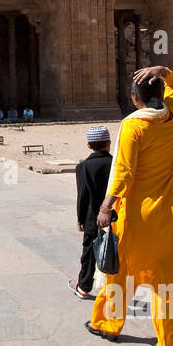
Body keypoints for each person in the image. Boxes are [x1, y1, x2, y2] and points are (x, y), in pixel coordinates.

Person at [89, 65, 173, 346]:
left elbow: (123, 172)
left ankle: (108, 325)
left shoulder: (133, 126)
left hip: (138, 213)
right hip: (172, 212)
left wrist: (106, 207)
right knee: (171, 283)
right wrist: (164, 71)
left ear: (135, 97)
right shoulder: (171, 115)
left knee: (121, 275)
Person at [69, 126, 113, 300]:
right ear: (108, 144)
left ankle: (84, 286)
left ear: (88, 145)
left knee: (89, 252)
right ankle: (116, 287)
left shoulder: (84, 167)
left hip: (92, 216)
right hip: (116, 214)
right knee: (117, 250)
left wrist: (80, 218)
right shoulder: (116, 163)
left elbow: (83, 195)